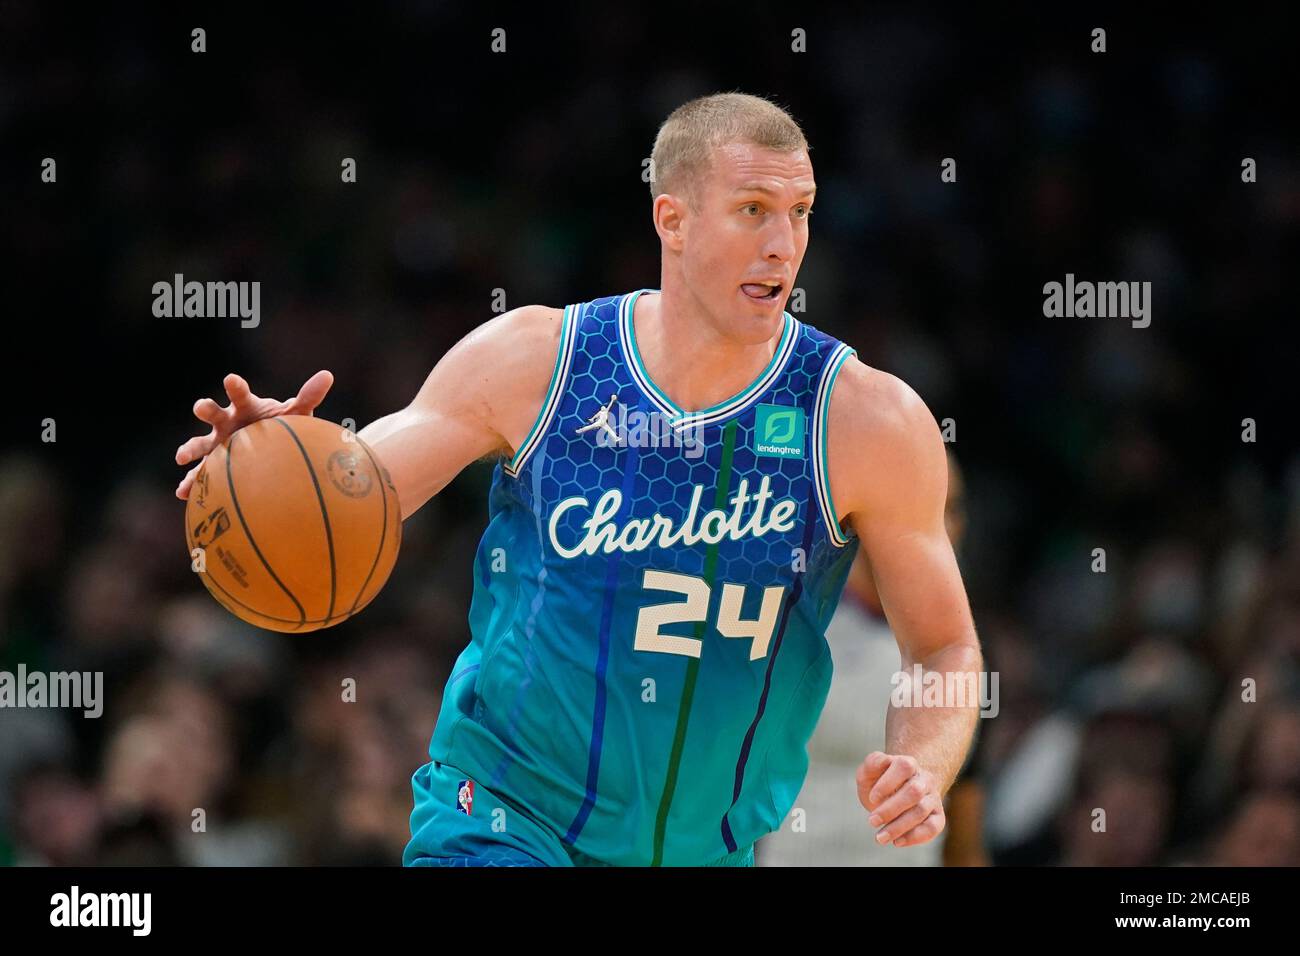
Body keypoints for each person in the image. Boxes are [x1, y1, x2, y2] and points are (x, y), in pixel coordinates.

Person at [174, 92, 982, 867]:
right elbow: (363, 486)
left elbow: (944, 645)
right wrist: (280, 466)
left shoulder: (864, 421)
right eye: (752, 210)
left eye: (800, 211)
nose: (783, 243)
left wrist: (923, 761)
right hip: (500, 820)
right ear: (673, 217)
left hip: (707, 853)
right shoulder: (541, 363)